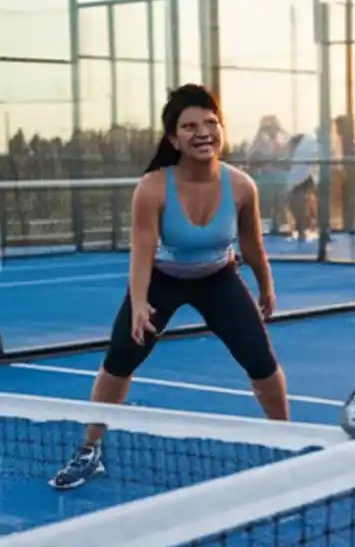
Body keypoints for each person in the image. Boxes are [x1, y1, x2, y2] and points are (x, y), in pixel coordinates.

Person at [50, 84, 289, 490]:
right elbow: (142, 250)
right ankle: (90, 449)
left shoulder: (243, 186)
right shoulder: (153, 188)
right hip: (163, 280)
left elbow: (253, 246)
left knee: (260, 360)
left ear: (222, 129)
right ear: (174, 138)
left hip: (219, 279)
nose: (203, 133)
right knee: (120, 358)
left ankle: (287, 444)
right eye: (190, 125)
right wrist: (140, 303)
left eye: (211, 123)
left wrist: (266, 287)